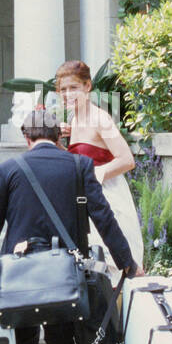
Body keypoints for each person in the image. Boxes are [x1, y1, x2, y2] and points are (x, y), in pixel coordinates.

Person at [0, 108, 142, 344]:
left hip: (20, 272)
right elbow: (103, 217)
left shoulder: (9, 169)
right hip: (66, 271)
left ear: (26, 138)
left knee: (23, 339)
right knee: (65, 339)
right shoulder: (80, 165)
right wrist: (127, 263)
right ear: (59, 136)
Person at [54, 60, 145, 275]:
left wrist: (93, 175)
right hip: (88, 201)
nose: (68, 94)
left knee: (114, 267)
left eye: (74, 88)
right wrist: (57, 142)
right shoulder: (75, 120)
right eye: (63, 89)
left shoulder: (101, 119)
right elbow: (79, 162)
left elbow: (127, 159)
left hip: (109, 199)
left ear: (87, 86)